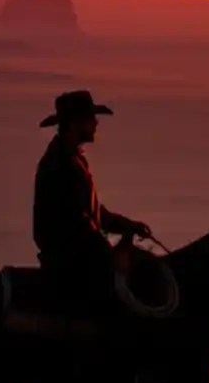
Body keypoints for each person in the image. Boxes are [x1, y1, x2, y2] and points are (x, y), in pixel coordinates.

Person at [33, 90, 151, 316]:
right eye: (90, 119)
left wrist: (126, 225)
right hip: (71, 262)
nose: (96, 123)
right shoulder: (62, 165)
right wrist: (109, 254)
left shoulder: (70, 159)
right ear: (76, 124)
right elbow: (78, 222)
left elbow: (92, 214)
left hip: (75, 254)